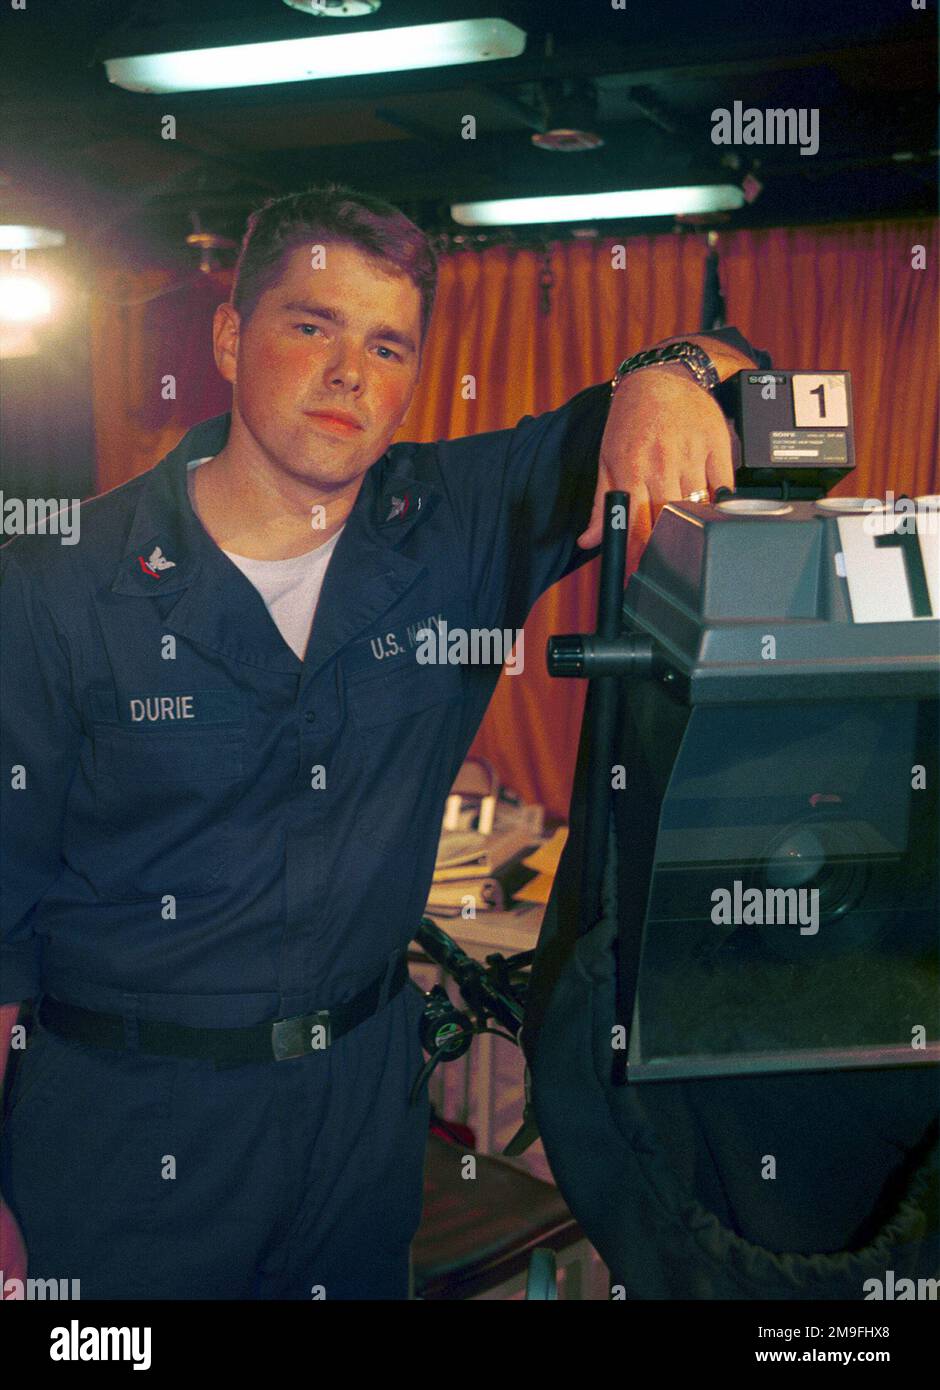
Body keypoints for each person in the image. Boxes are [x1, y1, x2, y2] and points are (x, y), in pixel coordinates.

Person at [0, 183, 767, 1299]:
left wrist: (670, 375)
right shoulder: (60, 584)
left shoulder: (458, 522)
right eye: (311, 325)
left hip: (355, 1133)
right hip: (122, 1141)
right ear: (230, 336)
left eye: (388, 344)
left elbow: (739, 360)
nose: (350, 373)